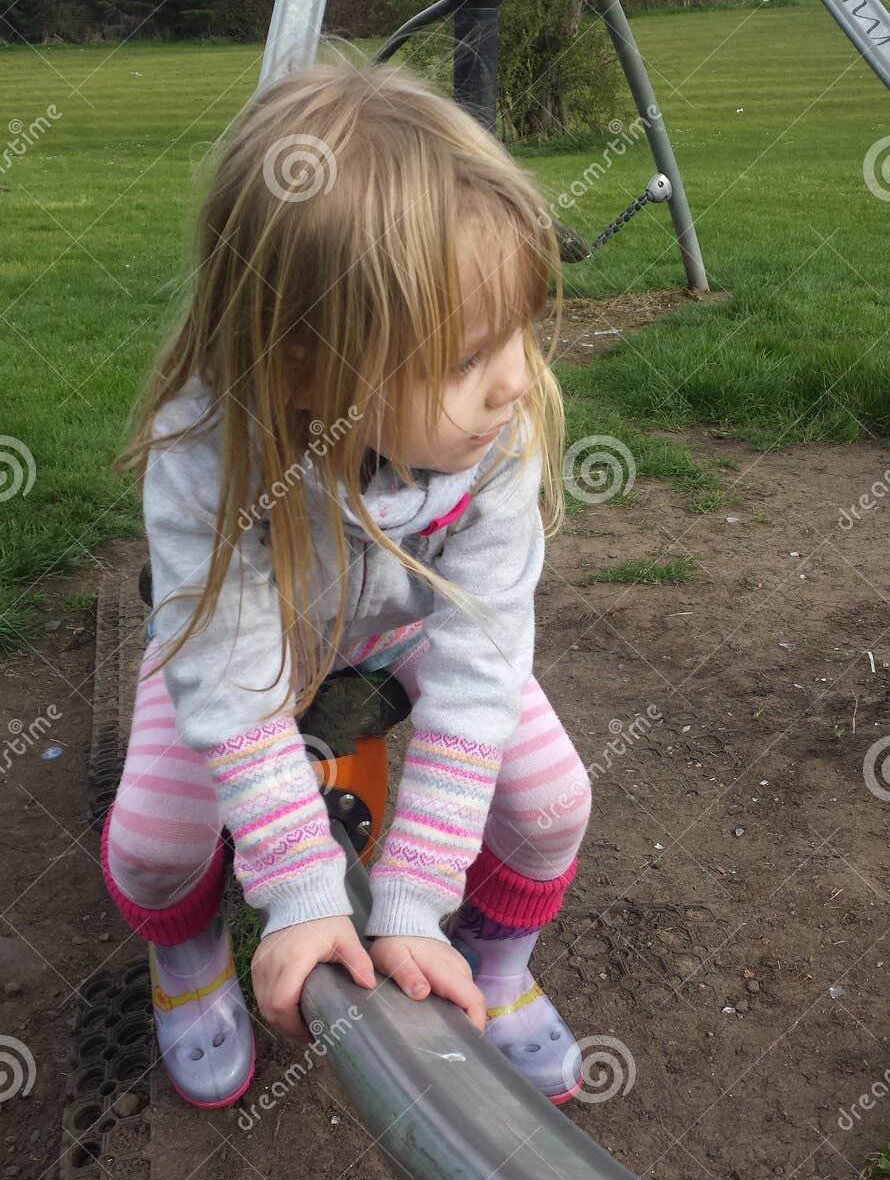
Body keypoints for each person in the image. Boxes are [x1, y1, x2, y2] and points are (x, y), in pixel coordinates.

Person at [100, 58, 593, 1112]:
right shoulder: (212, 453)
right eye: (467, 355)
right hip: (254, 635)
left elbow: (482, 653)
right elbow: (229, 676)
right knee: (151, 839)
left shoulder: (501, 434)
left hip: (413, 627)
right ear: (304, 368)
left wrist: (412, 893)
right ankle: (188, 962)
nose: (514, 378)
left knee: (554, 801)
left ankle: (493, 967)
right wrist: (298, 885)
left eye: (518, 329)